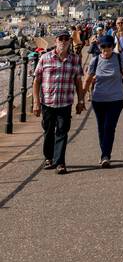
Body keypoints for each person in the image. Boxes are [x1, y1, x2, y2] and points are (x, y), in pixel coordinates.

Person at [32, 30, 84, 174]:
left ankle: (60, 162)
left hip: (65, 103)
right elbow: (36, 81)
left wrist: (80, 101)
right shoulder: (45, 58)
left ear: (70, 41)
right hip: (47, 103)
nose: (63, 41)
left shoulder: (75, 59)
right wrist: (36, 103)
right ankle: (49, 158)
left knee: (62, 131)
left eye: (66, 39)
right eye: (60, 38)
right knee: (48, 131)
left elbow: (78, 81)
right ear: (55, 41)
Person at [84, 35, 123, 168]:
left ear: (113, 46)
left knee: (109, 126)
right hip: (98, 99)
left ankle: (106, 155)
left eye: (109, 46)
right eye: (103, 47)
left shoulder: (118, 58)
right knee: (101, 127)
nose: (106, 49)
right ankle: (104, 153)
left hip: (116, 99)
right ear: (99, 47)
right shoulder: (95, 61)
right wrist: (80, 99)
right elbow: (87, 79)